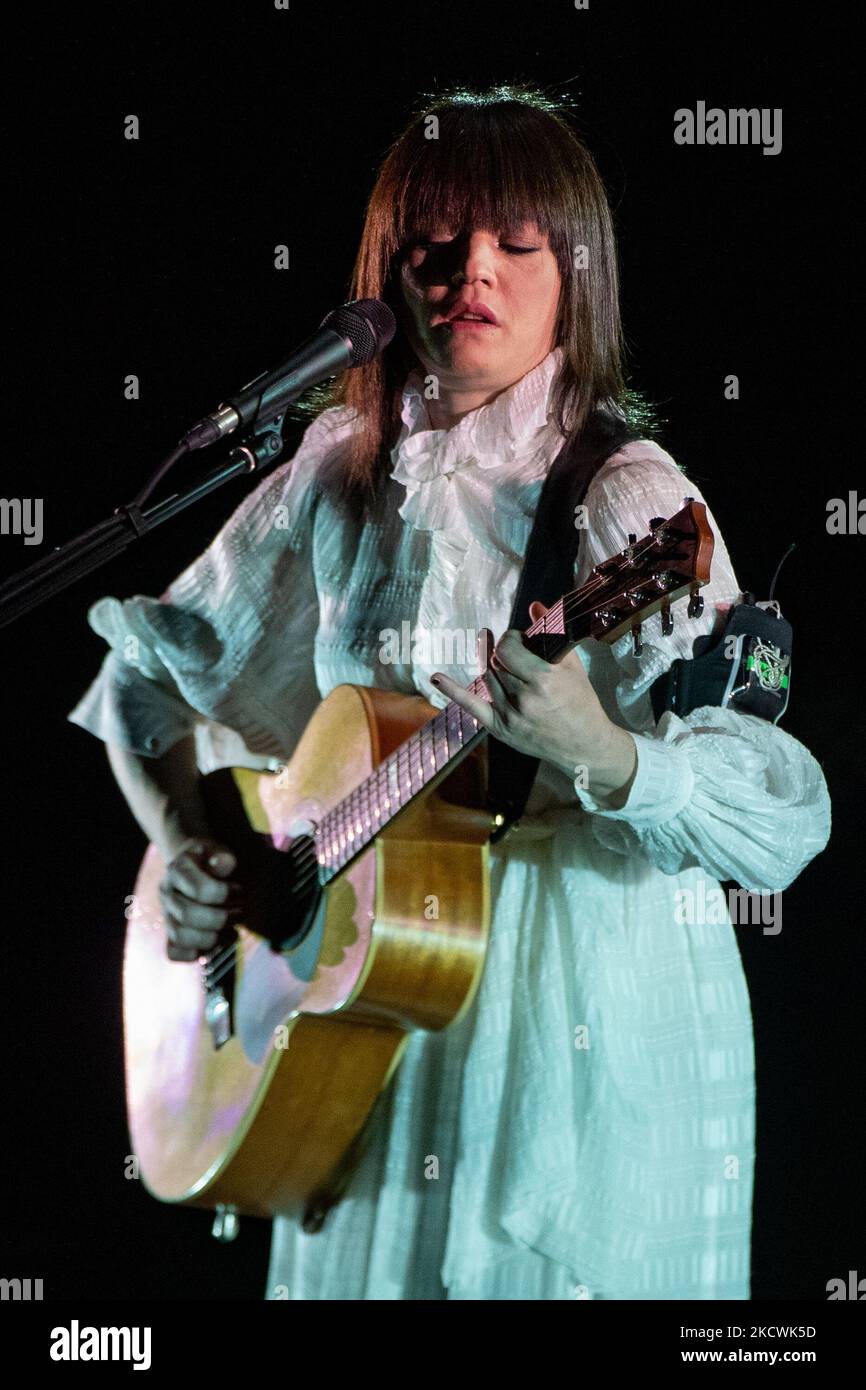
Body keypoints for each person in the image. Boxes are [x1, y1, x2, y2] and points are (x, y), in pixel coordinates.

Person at [67, 85, 831, 1300]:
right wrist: (196, 847)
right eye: (437, 238)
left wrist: (606, 750)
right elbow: (142, 678)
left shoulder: (629, 501)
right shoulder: (337, 468)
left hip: (564, 1021)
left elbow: (784, 819)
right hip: (354, 1023)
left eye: (518, 241)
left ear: (574, 270)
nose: (474, 267)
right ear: (384, 271)